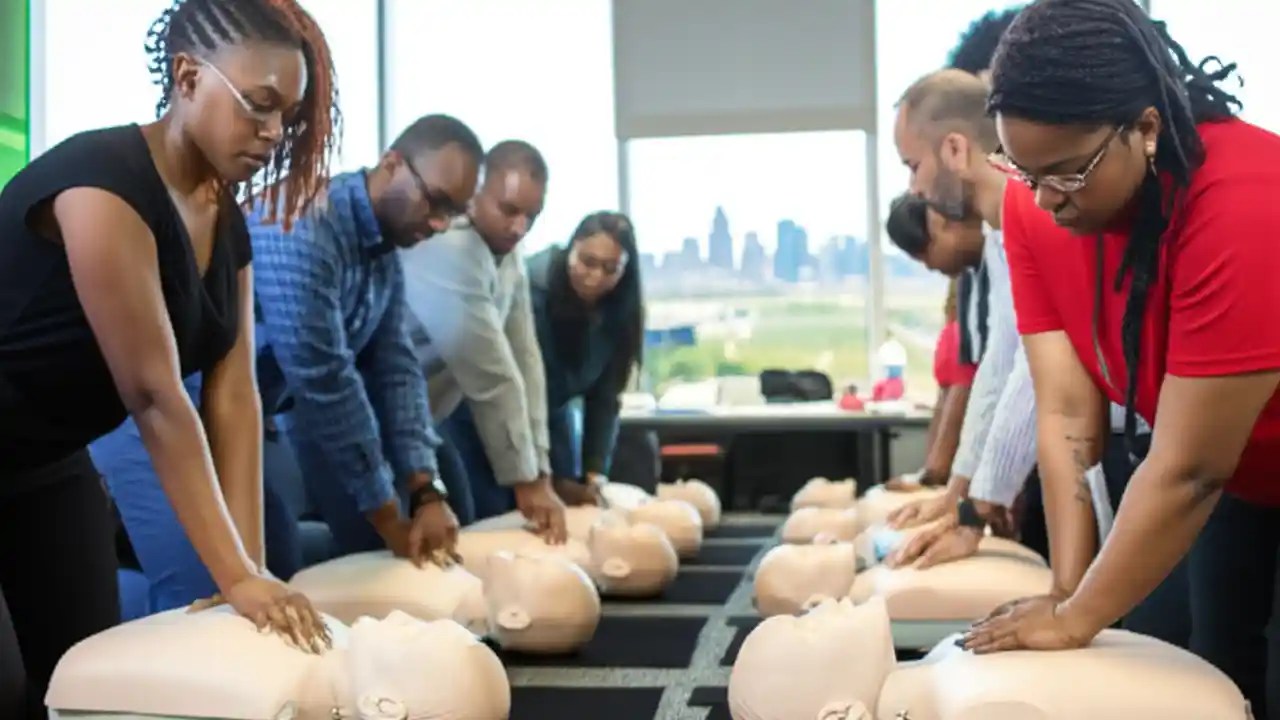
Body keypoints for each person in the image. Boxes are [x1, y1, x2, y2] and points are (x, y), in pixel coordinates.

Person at [0, 0, 338, 715]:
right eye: (259, 105)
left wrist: (248, 570)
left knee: (79, 676)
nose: (274, 132)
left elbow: (234, 394)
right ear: (188, 78)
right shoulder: (101, 183)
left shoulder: (226, 216)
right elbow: (154, 396)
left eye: (287, 116)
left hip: (46, 460)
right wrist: (237, 578)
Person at [957, 1, 1280, 715]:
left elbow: (1190, 469)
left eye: (1068, 173)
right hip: (1244, 473)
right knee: (1209, 658)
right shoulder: (1034, 204)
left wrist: (1075, 620)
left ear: (1146, 128)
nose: (1045, 199)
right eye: (1023, 170)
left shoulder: (1243, 202)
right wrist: (1064, 596)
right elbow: (1068, 414)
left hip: (1213, 464)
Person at [253, 114, 483, 567]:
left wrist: (424, 488)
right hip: (175, 411)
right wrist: (389, 517)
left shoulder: (382, 251)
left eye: (454, 213)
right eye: (435, 201)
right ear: (391, 163)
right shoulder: (304, 224)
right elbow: (326, 380)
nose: (441, 224)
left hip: (259, 410)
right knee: (269, 552)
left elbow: (396, 366)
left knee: (371, 537)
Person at [402, 140, 568, 541]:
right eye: (509, 210)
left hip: (421, 423)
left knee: (460, 518)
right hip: (376, 419)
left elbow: (524, 360)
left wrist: (541, 469)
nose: (519, 227)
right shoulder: (450, 246)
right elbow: (491, 374)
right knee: (399, 541)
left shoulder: (508, 252)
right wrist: (526, 480)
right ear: (475, 194)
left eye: (531, 216)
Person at [522, 211, 644, 503]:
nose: (596, 277)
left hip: (556, 415)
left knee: (578, 501)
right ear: (572, 248)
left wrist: (595, 474)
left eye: (610, 268)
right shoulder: (531, 289)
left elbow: (604, 399)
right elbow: (523, 394)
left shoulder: (619, 309)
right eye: (588, 262)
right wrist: (541, 478)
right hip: (506, 419)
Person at [883, 196, 982, 492]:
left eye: (925, 253)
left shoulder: (970, 318)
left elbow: (963, 391)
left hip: (971, 476)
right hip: (959, 478)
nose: (928, 266)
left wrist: (935, 472)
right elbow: (947, 398)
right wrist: (930, 472)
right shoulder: (958, 316)